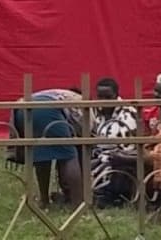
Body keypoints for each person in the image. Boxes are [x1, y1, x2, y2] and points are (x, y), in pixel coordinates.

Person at [10, 88, 85, 208]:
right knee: (70, 155)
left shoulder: (63, 95)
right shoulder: (85, 104)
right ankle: (78, 203)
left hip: (22, 108)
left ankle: (44, 200)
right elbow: (87, 139)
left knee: (41, 154)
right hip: (48, 109)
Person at [90, 78, 140, 207]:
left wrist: (103, 158)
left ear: (116, 95)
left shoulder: (128, 113)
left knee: (113, 164)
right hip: (98, 155)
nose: (104, 101)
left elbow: (127, 145)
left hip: (121, 156)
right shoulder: (95, 112)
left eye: (108, 97)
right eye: (100, 97)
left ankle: (107, 196)